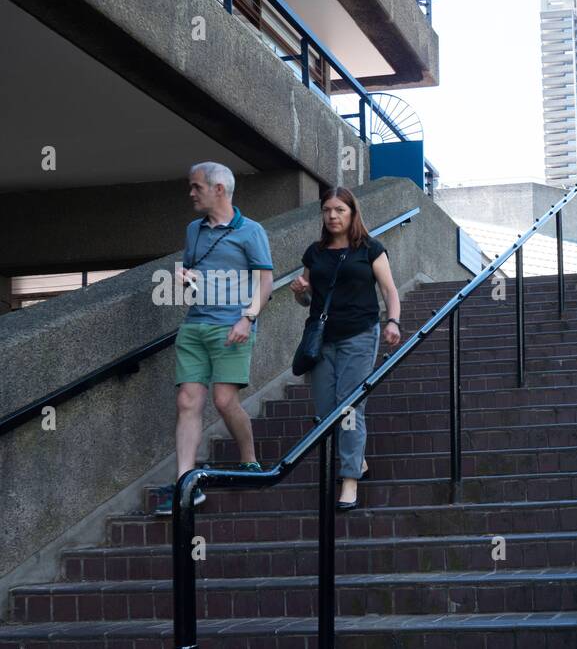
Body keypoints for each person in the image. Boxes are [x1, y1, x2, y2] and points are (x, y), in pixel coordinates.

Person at [156, 162, 273, 515]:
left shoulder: (251, 232)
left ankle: (249, 459)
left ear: (218, 189)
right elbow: (193, 269)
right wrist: (184, 276)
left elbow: (265, 282)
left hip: (231, 326)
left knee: (224, 400)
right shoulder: (194, 230)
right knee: (188, 401)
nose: (191, 193)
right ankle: (186, 483)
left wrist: (248, 318)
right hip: (195, 325)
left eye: (196, 187)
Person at [290, 187, 402, 510]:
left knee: (350, 408)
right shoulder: (315, 253)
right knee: (326, 412)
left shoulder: (370, 250)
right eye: (327, 210)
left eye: (340, 209)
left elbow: (390, 290)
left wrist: (392, 322)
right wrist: (301, 291)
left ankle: (349, 479)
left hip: (360, 335)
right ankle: (358, 461)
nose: (333, 216)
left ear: (352, 213)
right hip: (322, 340)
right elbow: (307, 300)